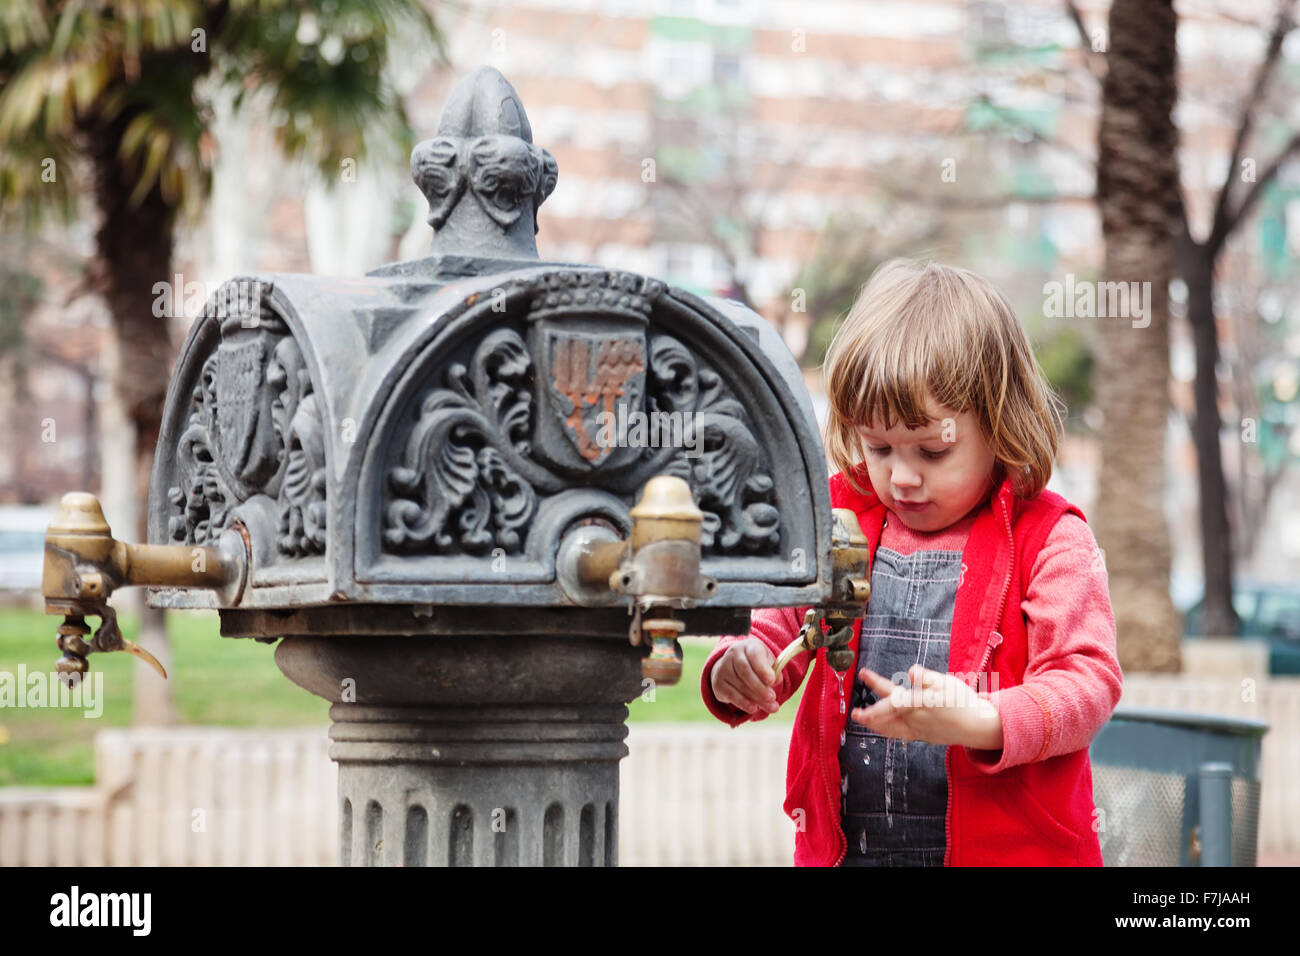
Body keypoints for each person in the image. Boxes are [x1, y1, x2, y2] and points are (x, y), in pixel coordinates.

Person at [700, 259, 1123, 866]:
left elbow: (1087, 682)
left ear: (1001, 424)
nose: (901, 476)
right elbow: (781, 617)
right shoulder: (843, 514)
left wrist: (982, 718)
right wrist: (739, 664)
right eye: (878, 447)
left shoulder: (1048, 539)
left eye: (932, 450)